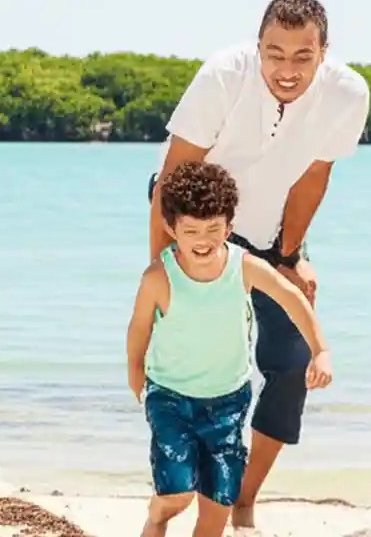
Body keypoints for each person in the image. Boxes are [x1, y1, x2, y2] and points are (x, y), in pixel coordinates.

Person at [148, 0, 370, 528]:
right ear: (258, 46)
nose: (286, 69)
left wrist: (292, 254)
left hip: (272, 231)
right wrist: (165, 274)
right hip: (198, 224)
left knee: (292, 365)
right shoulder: (224, 76)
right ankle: (177, 493)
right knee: (192, 365)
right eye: (275, 53)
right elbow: (173, 180)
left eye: (302, 56)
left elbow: (315, 176)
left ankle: (242, 496)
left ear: (325, 52)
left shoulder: (347, 93)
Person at [127, 160, 334, 537]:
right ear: (171, 229)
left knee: (217, 508)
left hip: (227, 402)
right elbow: (139, 328)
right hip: (170, 398)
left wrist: (320, 350)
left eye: (213, 229)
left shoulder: (245, 267)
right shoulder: (159, 277)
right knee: (177, 494)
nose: (202, 239)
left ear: (230, 227)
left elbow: (291, 298)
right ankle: (156, 516)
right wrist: (134, 372)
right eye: (190, 230)